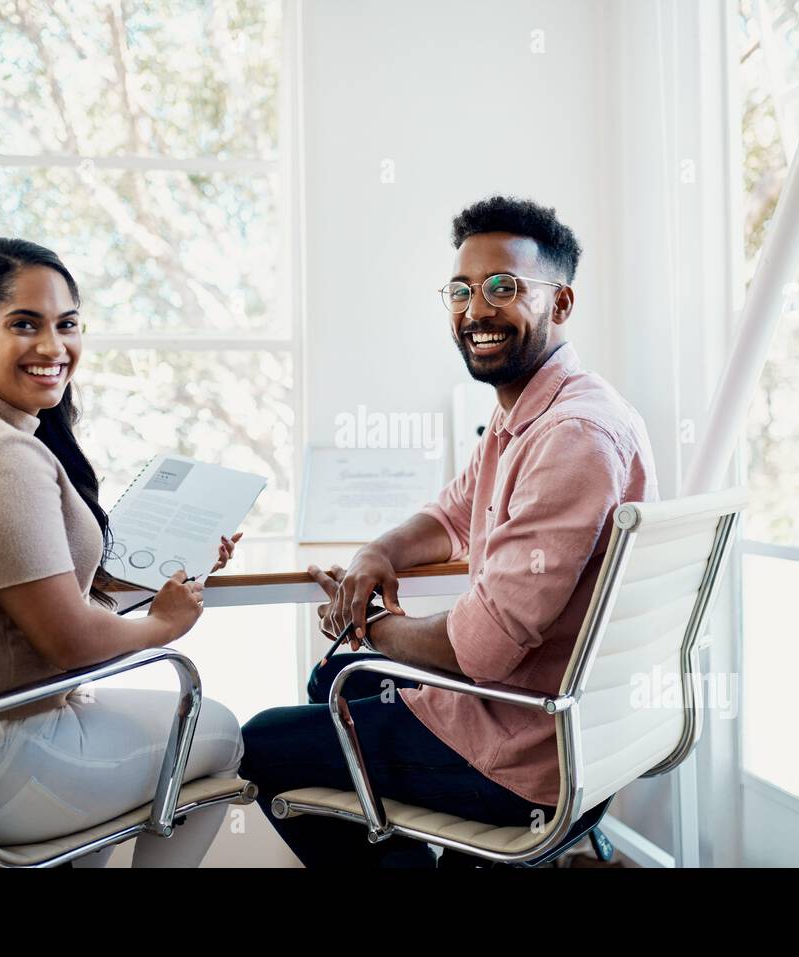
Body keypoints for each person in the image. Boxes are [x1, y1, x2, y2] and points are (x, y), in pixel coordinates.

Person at [241, 196, 659, 867]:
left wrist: (369, 625)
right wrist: (380, 554)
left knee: (260, 742)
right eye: (461, 290)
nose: (476, 310)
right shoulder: (530, 408)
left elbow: (483, 650)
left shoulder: (571, 435)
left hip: (521, 750)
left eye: (503, 288)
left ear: (563, 303)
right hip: (538, 714)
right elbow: (451, 514)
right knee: (335, 680)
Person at [0, 237, 243, 867]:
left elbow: (31, 600)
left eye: (68, 325)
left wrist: (168, 578)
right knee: (217, 729)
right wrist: (163, 626)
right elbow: (68, 643)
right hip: (7, 758)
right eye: (25, 324)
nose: (54, 348)